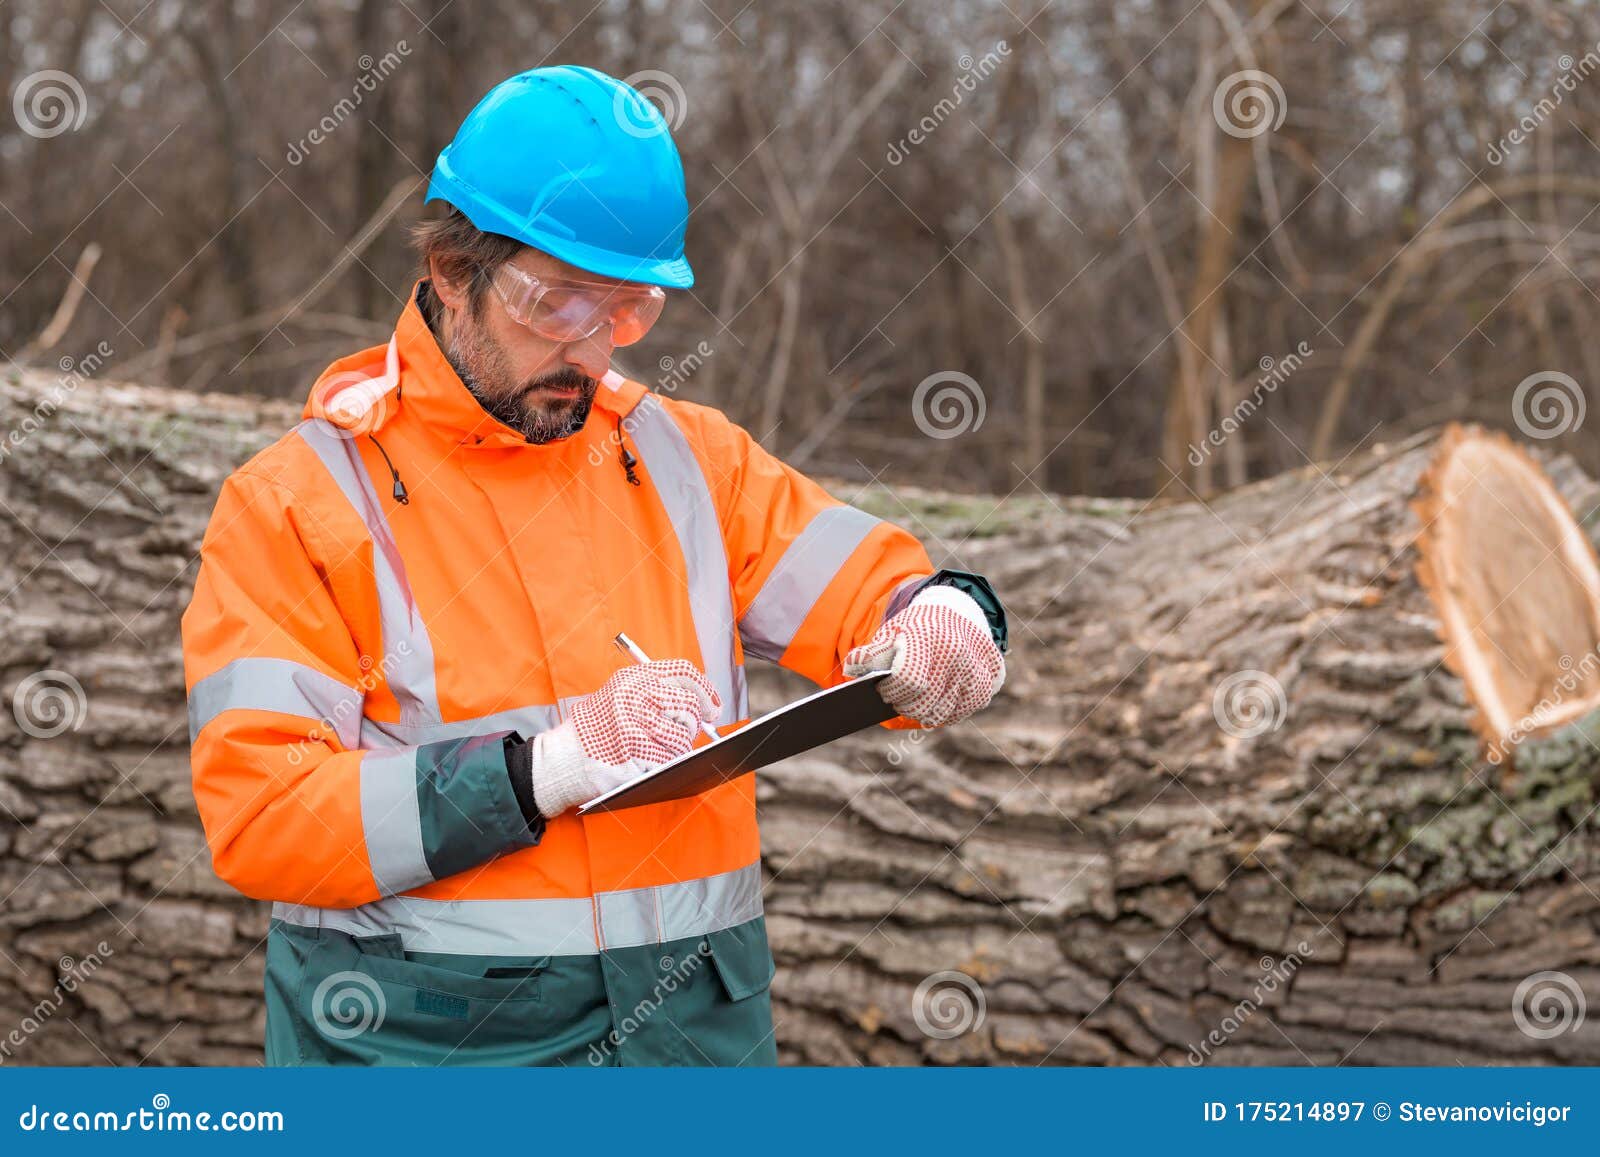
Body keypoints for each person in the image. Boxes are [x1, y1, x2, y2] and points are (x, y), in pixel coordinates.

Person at [181, 65, 1009, 1066]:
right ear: (451, 271)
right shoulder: (298, 505)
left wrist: (945, 610)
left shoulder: (685, 461)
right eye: (555, 304)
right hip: (431, 1060)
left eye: (626, 310)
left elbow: (864, 584)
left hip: (690, 1053)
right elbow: (266, 815)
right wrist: (542, 771)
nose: (591, 347)